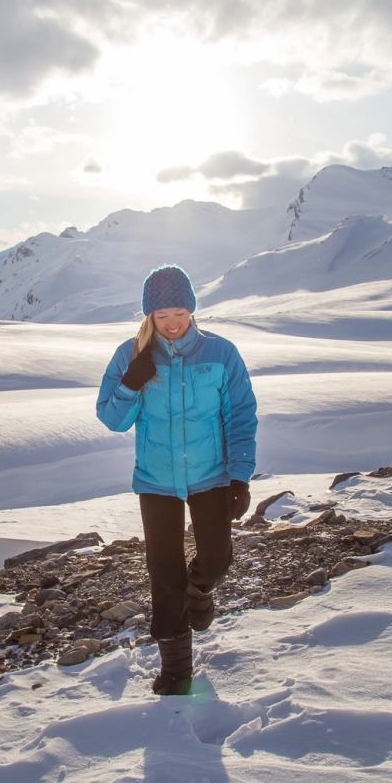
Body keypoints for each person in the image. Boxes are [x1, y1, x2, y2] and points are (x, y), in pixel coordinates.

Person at [96, 264, 258, 695]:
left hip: (212, 475)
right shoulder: (130, 355)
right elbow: (112, 419)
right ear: (149, 316)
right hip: (156, 480)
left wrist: (240, 475)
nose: (172, 324)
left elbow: (240, 415)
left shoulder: (220, 354)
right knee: (164, 574)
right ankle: (175, 670)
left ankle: (201, 592)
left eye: (180, 313)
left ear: (192, 311)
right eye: (163, 315)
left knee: (218, 558)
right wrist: (132, 384)